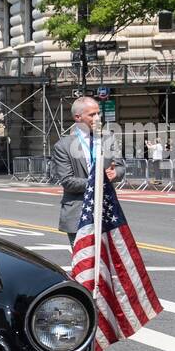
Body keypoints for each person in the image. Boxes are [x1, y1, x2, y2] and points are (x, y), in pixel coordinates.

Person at [51, 96, 122, 247]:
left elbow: (121, 166)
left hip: (107, 211)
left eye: (98, 113)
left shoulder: (108, 138)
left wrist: (116, 174)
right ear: (78, 117)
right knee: (84, 267)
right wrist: (97, 180)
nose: (97, 118)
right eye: (92, 115)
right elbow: (67, 181)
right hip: (78, 213)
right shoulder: (63, 146)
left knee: (106, 265)